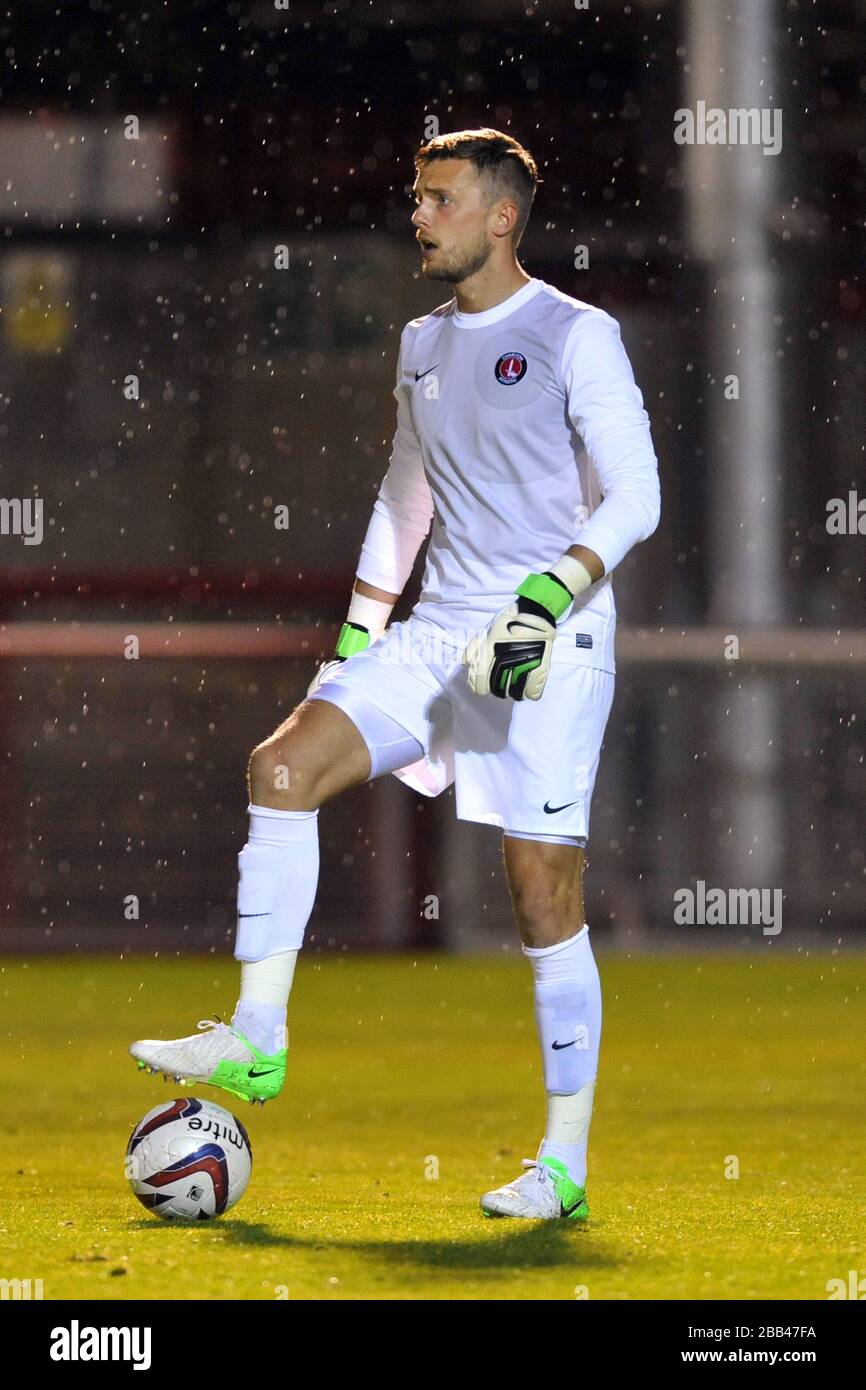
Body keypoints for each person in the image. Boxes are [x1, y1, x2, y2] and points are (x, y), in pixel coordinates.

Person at [130, 127, 661, 1222]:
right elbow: (401, 499)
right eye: (414, 197)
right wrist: (357, 642)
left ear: (499, 216)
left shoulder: (576, 335)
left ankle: (560, 1164)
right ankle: (258, 1037)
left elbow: (635, 497)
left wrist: (551, 593)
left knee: (538, 894)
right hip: (439, 630)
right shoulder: (420, 342)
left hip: (542, 636)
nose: (416, 215)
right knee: (281, 767)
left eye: (436, 199)